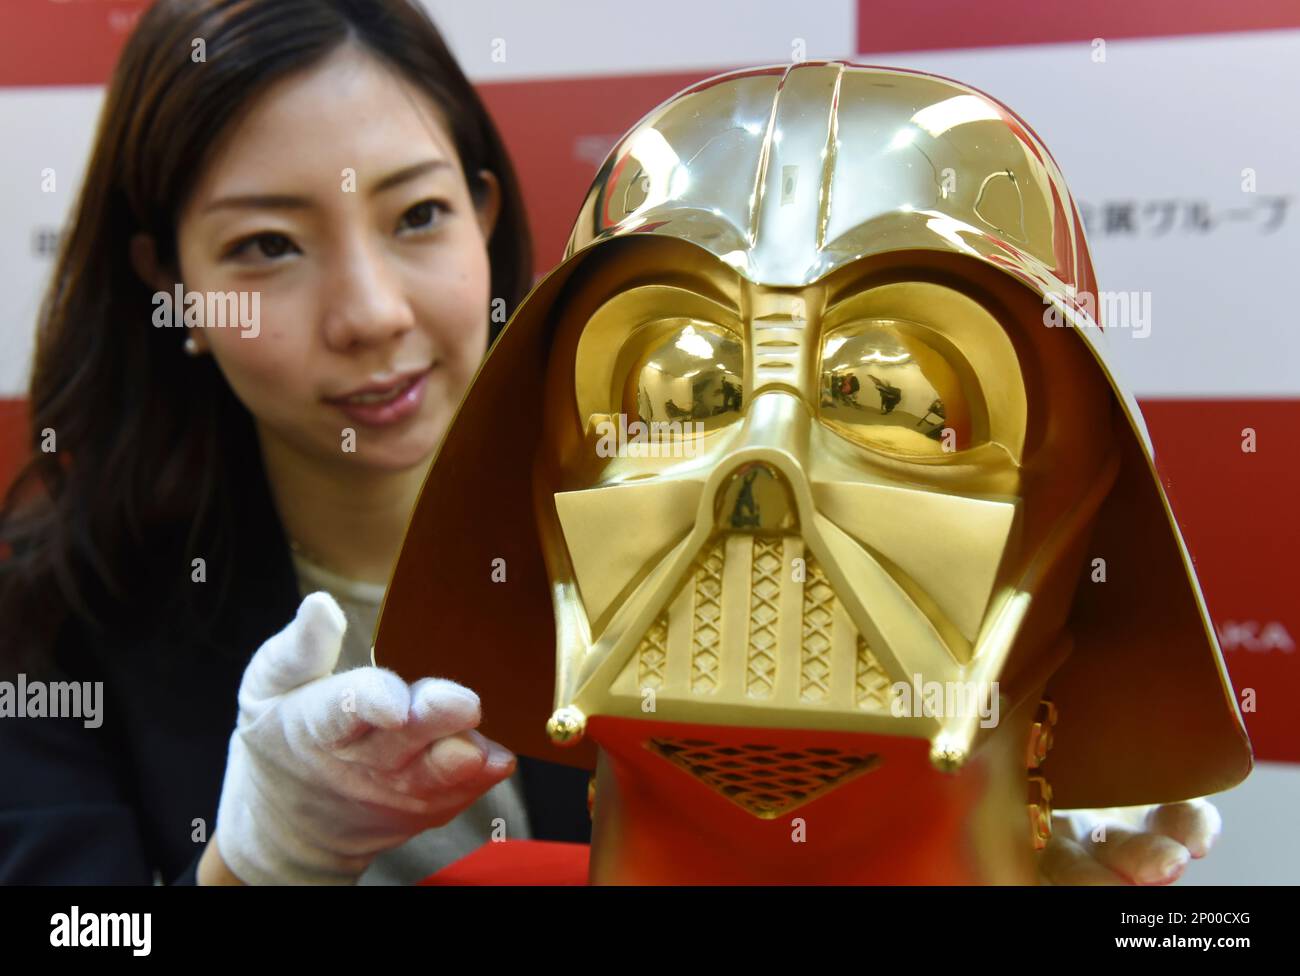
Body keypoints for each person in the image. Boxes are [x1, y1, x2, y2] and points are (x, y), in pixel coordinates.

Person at [0, 0, 1220, 885]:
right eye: (268, 245)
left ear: (485, 210)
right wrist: (250, 870)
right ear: (170, 287)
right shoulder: (46, 617)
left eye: (417, 214)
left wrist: (979, 835)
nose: (371, 311)